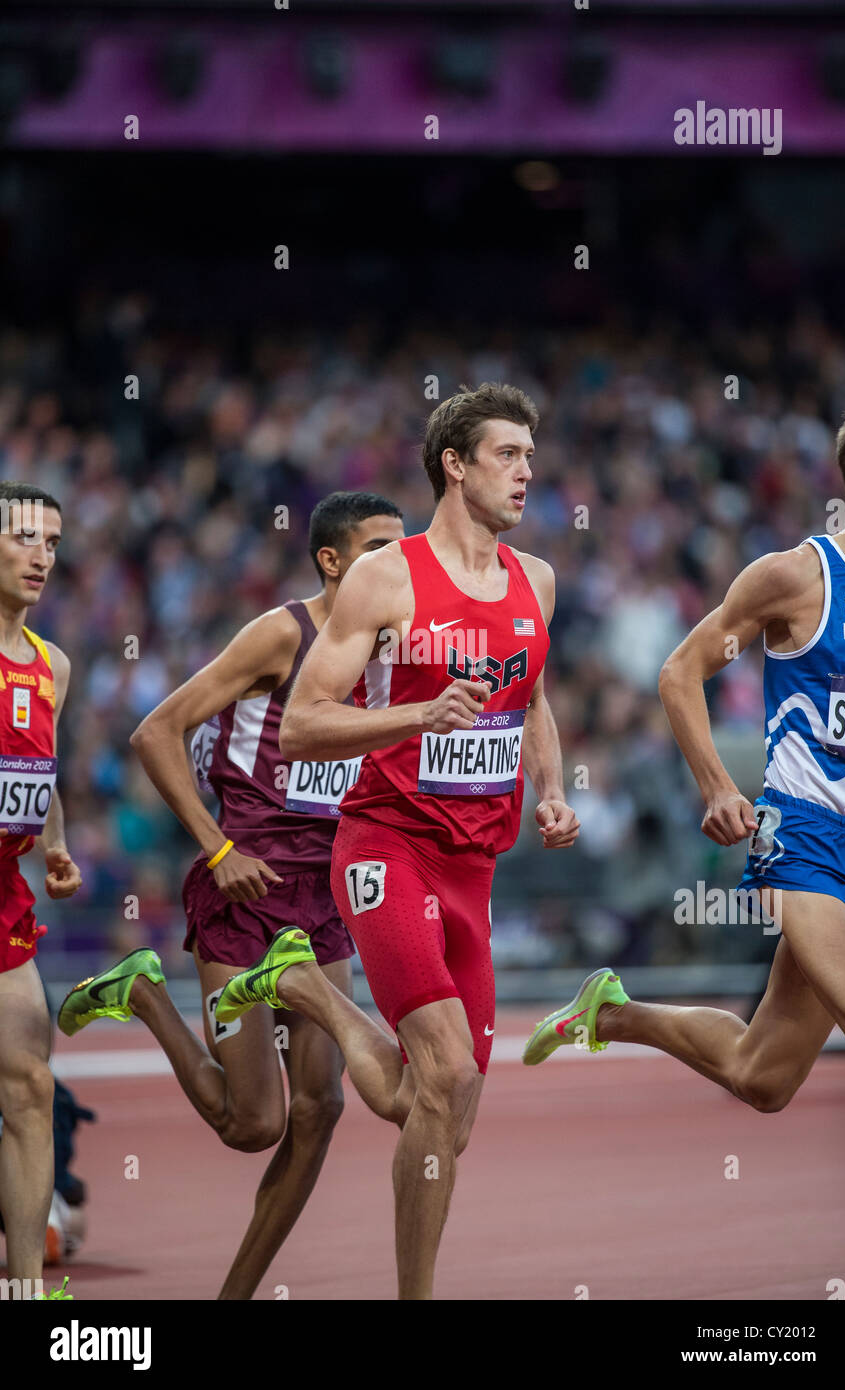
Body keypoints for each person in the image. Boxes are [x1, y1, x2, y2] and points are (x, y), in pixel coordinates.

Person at [215, 382, 580, 1300]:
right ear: (453, 465)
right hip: (386, 845)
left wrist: (552, 788)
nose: (528, 472)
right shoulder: (390, 577)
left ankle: (307, 987)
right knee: (445, 1069)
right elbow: (301, 722)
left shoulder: (536, 579)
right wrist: (421, 709)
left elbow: (531, 698)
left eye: (533, 456)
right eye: (509, 454)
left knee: (442, 1111)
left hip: (474, 866)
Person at [57, 492, 404, 1299]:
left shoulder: (390, 649)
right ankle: (141, 991)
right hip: (245, 893)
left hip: (327, 900)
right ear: (332, 560)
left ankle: (235, 1297)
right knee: (255, 1124)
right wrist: (218, 848)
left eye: (404, 547)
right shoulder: (283, 634)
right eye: (381, 549)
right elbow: (154, 731)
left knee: (321, 1110)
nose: (398, 563)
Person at [523, 393, 845, 1137]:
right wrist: (717, 785)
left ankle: (610, 1014)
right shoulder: (798, 577)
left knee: (762, 1074)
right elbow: (680, 672)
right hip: (808, 837)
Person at [0, 481, 82, 1299]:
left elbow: (38, 769)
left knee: (29, 1087)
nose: (42, 556)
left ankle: (23, 1291)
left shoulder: (52, 663)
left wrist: (52, 844)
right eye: (26, 538)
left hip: (5, 898)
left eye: (54, 544)